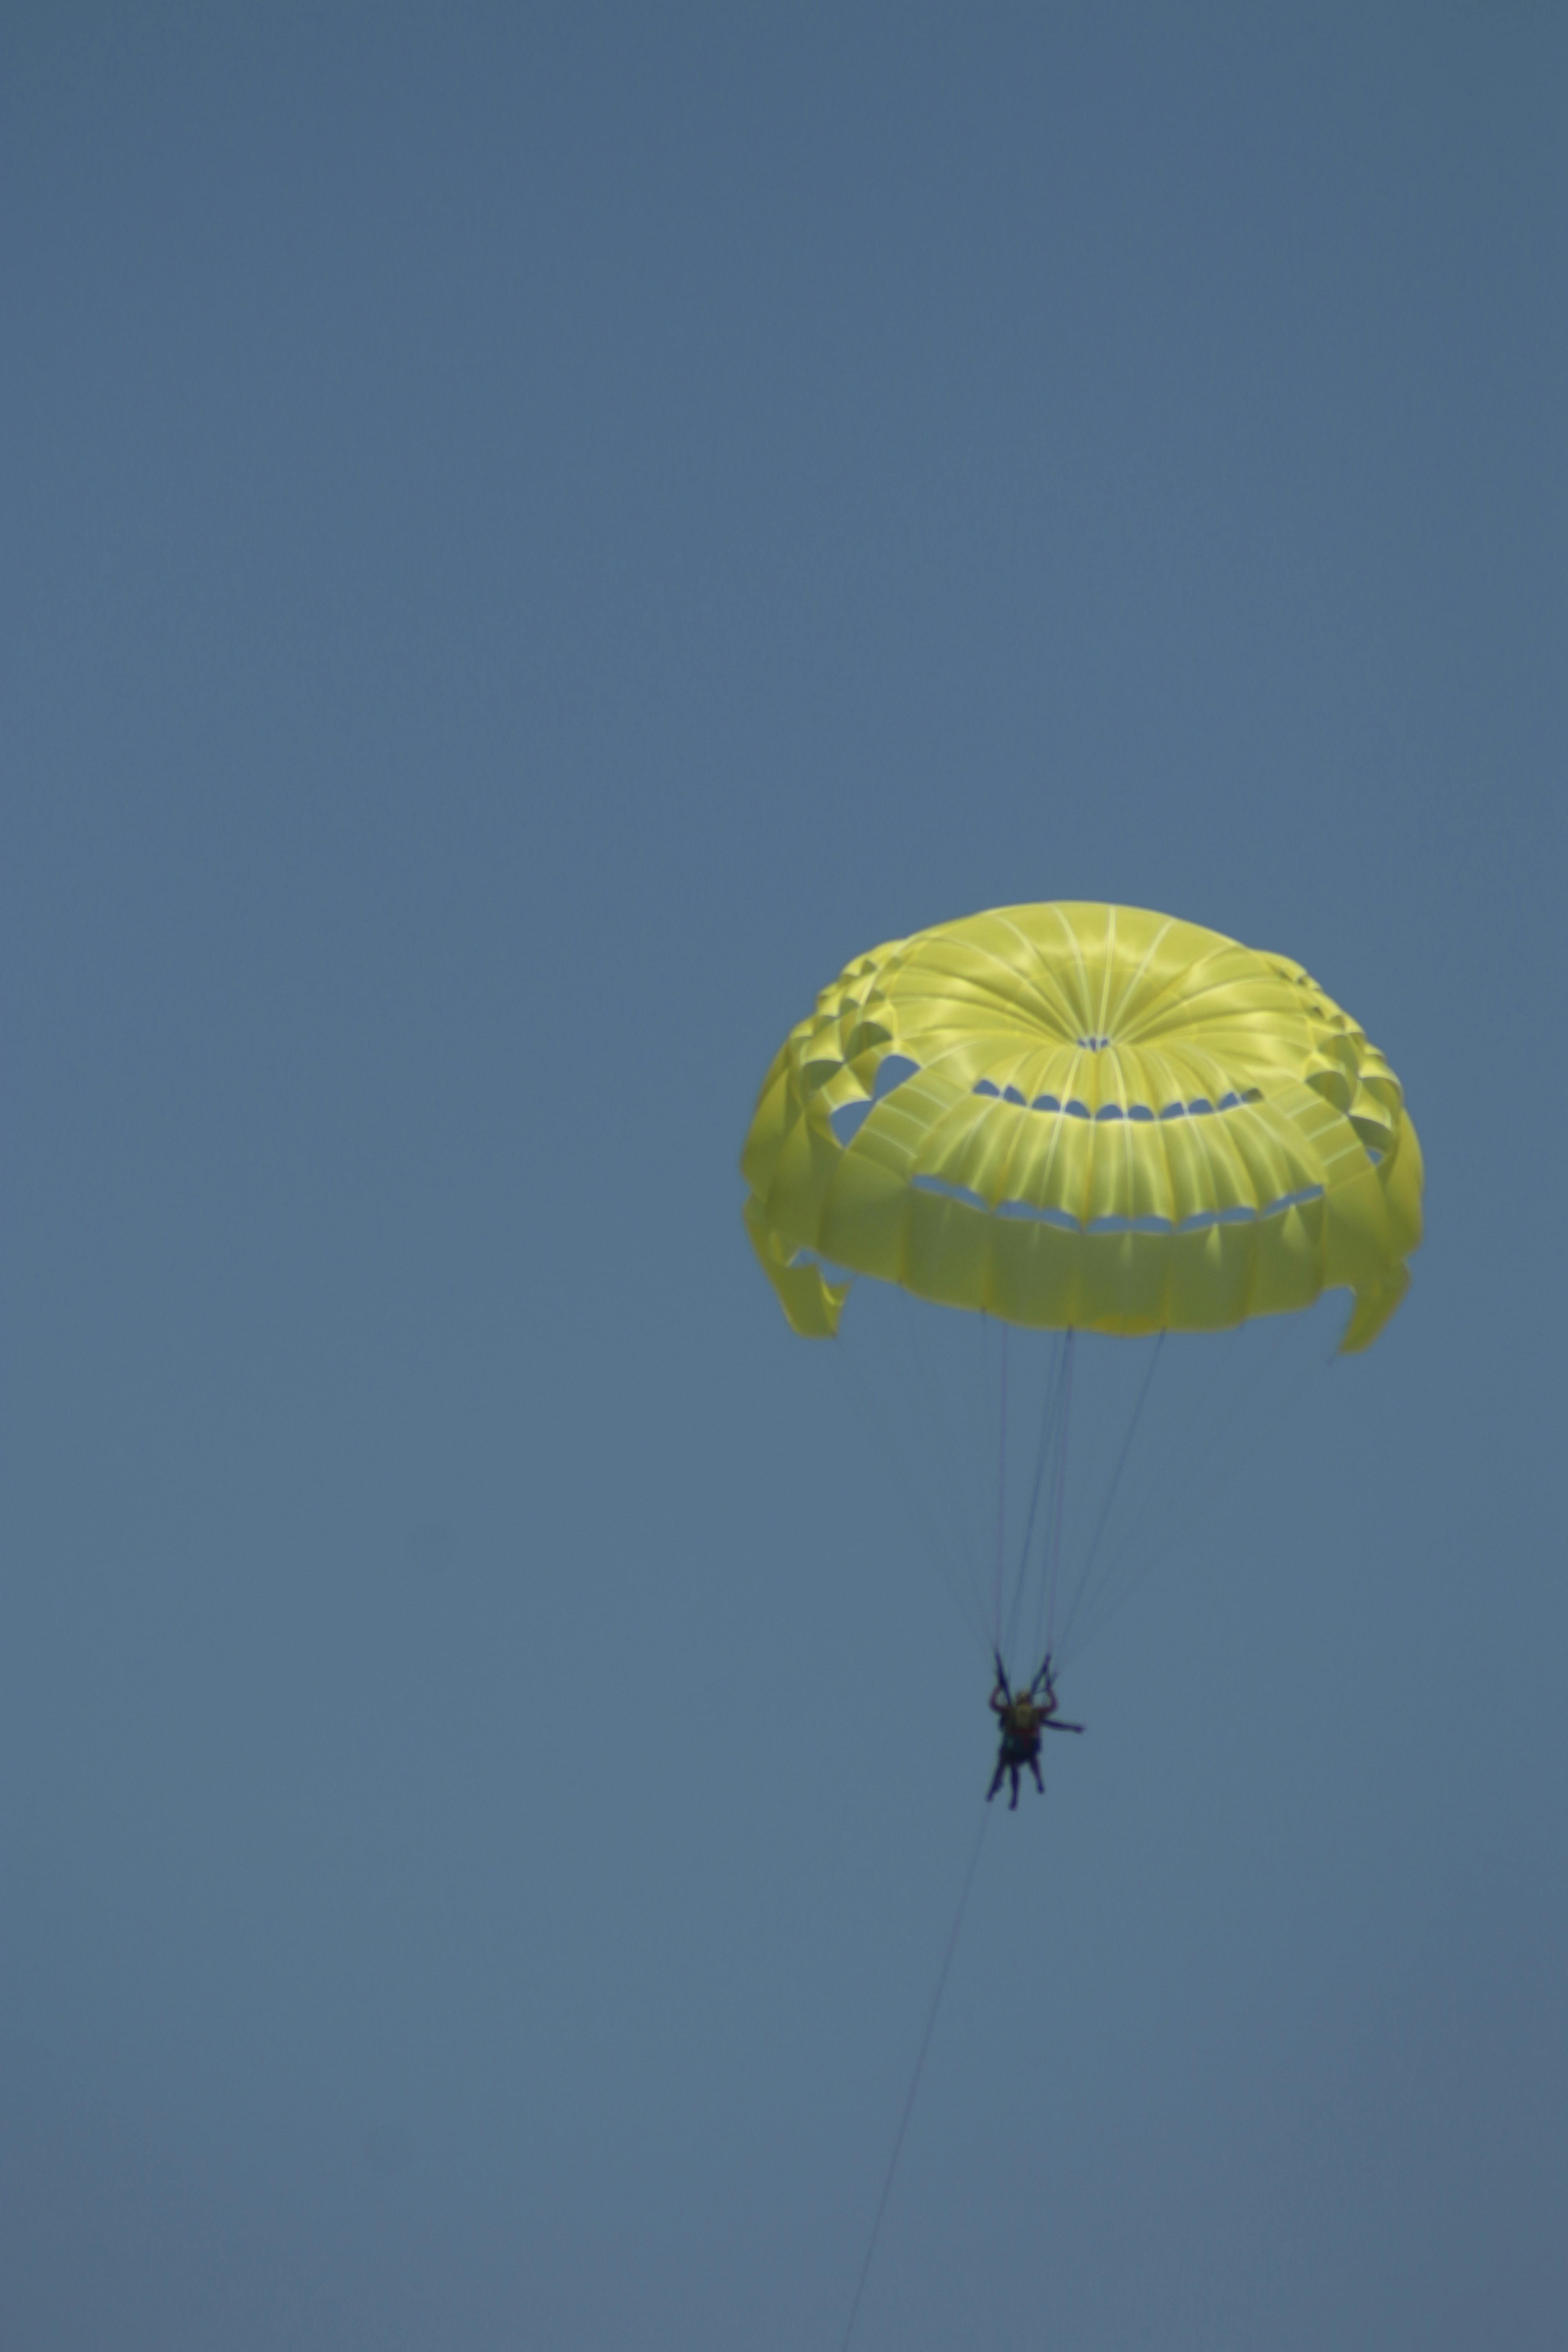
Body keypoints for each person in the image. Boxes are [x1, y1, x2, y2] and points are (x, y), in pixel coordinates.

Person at [987, 1654, 1082, 1809]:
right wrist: (1050, 1693)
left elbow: (993, 1705)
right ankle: (1038, 1780)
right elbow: (1054, 1717)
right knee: (1032, 1759)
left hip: (1012, 1747)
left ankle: (998, 1788)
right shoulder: (1036, 1713)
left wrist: (997, 1690)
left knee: (1007, 1765)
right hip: (1029, 1747)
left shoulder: (1010, 1711)